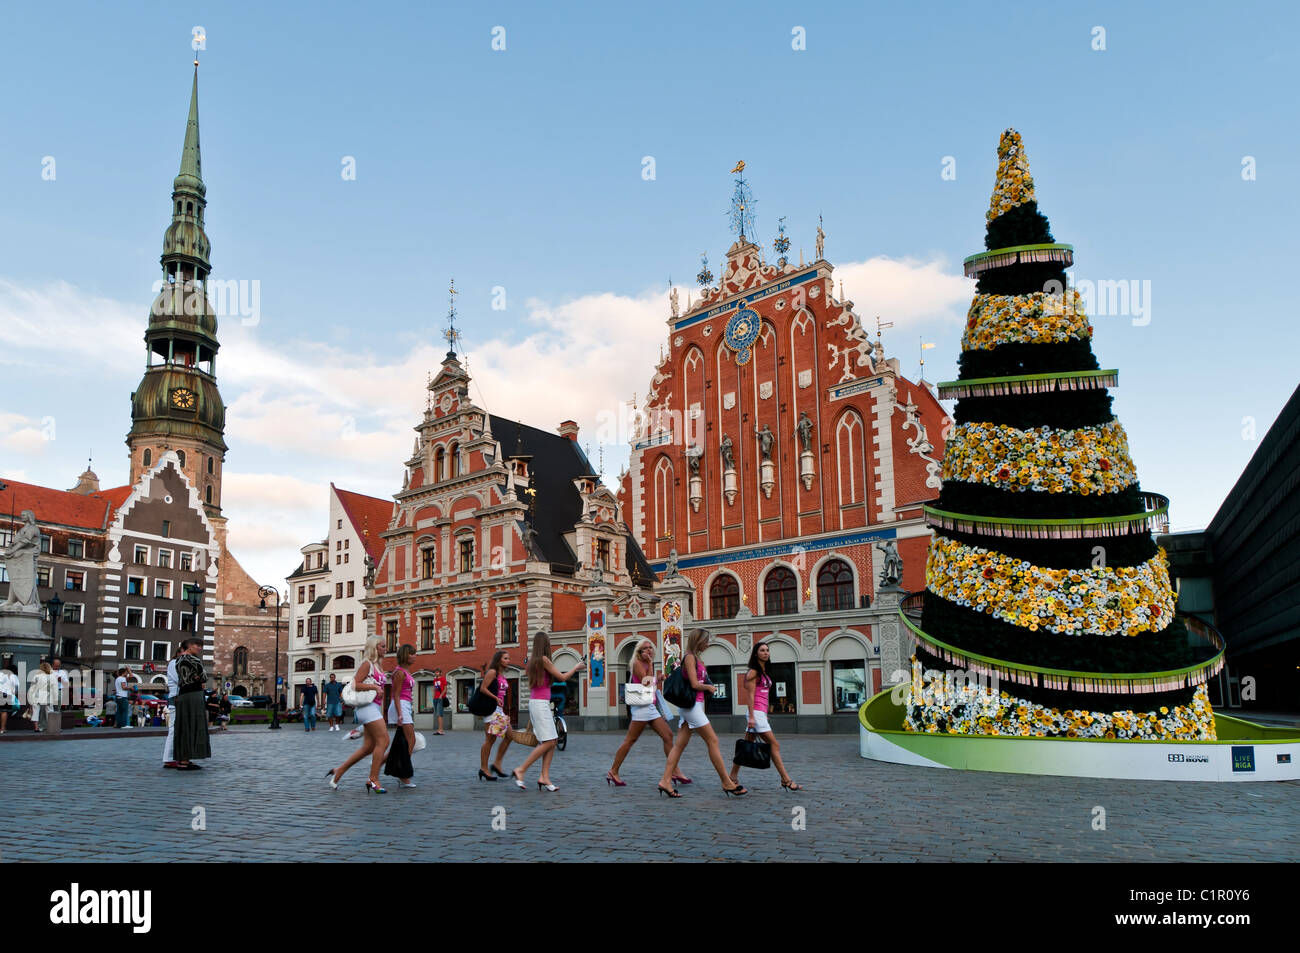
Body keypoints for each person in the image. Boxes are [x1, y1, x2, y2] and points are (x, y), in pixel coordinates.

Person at [658, 629, 747, 798]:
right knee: (713, 740)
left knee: (679, 746)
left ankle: (665, 780)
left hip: (694, 706)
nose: (708, 643)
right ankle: (726, 782)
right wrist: (709, 687)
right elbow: (694, 684)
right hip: (691, 707)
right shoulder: (690, 657)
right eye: (706, 640)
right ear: (698, 641)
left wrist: (706, 688)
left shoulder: (698, 658)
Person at [606, 638, 690, 787]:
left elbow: (649, 682)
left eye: (650, 647)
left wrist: (657, 678)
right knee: (630, 741)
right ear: (639, 652)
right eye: (645, 648)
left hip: (649, 706)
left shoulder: (645, 663)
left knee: (668, 735)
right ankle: (613, 771)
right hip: (641, 708)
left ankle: (675, 771)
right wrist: (651, 668)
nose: (649, 650)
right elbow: (646, 682)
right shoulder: (637, 663)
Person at [511, 632, 585, 792]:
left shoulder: (532, 662)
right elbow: (562, 678)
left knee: (551, 741)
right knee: (550, 742)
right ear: (545, 645)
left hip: (537, 703)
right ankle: (521, 769)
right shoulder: (544, 660)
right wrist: (576, 667)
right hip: (540, 704)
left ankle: (544, 777)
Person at [730, 641, 802, 791]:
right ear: (756, 654)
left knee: (745, 746)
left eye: (767, 650)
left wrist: (764, 713)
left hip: (759, 713)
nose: (766, 652)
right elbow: (750, 696)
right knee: (774, 745)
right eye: (762, 650)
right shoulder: (753, 672)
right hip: (755, 713)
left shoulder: (763, 672)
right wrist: (752, 717)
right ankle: (786, 780)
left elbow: (763, 695)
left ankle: (732, 777)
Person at [326, 636, 389, 793]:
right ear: (374, 648)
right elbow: (355, 684)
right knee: (384, 741)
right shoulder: (367, 664)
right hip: (367, 708)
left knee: (368, 747)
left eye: (385, 646)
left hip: (373, 707)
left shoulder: (377, 665)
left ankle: (338, 771)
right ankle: (373, 779)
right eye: (382, 646)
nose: (385, 649)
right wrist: (375, 687)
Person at [172, 639, 210, 769]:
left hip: (183, 694)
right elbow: (204, 677)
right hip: (194, 694)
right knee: (195, 725)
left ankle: (184, 759)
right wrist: (199, 678)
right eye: (197, 645)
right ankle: (185, 761)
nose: (199, 648)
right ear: (189, 646)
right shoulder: (194, 660)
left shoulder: (178, 660)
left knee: (183, 727)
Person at [383, 645, 417, 789]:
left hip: (405, 705)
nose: (415, 656)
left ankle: (382, 765)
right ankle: (403, 774)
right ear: (406, 655)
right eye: (412, 654)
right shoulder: (400, 672)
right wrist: (400, 714)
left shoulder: (405, 671)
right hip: (400, 705)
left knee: (402, 743)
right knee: (410, 740)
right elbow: (395, 694)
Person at [477, 650, 513, 781]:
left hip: (499, 710)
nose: (508, 661)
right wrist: (495, 698)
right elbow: (483, 688)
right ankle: (484, 768)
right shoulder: (492, 672)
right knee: (490, 740)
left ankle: (497, 764)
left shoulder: (502, 675)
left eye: (509, 658)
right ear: (499, 660)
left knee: (509, 735)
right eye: (505, 658)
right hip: (491, 709)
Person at [163, 651, 182, 768]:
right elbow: (179, 680)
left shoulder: (177, 663)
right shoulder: (174, 663)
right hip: (176, 698)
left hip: (179, 698)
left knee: (177, 729)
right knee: (173, 729)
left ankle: (175, 756)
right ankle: (169, 757)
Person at [29, 662, 54, 732]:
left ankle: (36, 727)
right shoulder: (52, 676)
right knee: (49, 711)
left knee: (36, 711)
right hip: (48, 695)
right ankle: (51, 727)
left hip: (37, 695)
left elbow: (32, 688)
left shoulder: (36, 676)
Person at [0, 665, 19, 734]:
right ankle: (2, 728)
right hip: (7, 695)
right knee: (4, 712)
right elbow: (16, 689)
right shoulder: (14, 677)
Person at [431, 668, 448, 735]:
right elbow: (434, 688)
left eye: (437, 672)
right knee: (437, 714)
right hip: (435, 698)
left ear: (440, 673)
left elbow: (445, 689)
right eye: (435, 672)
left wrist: (441, 696)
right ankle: (439, 730)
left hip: (440, 698)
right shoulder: (435, 680)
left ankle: (440, 730)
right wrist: (433, 696)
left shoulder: (443, 679)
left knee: (439, 714)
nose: (436, 673)